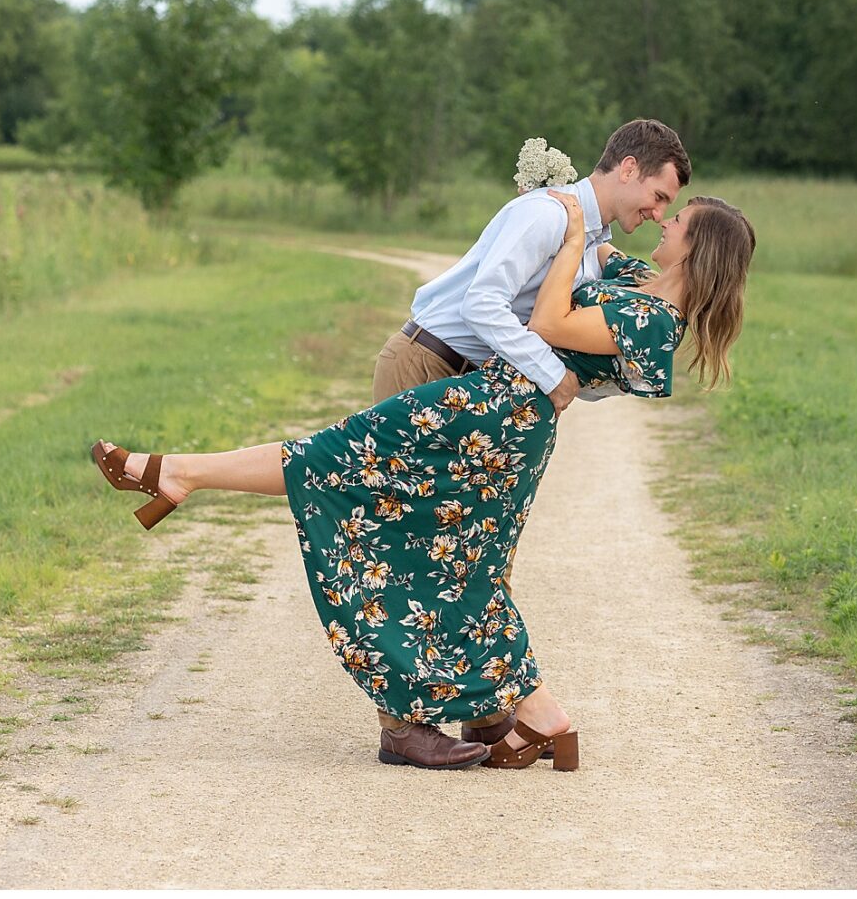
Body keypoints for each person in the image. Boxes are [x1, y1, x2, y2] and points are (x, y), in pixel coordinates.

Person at [93, 189, 754, 771]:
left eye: (679, 221)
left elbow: (548, 322)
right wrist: (567, 207)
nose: (664, 222)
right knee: (429, 536)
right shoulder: (639, 283)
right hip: (489, 410)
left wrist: (575, 235)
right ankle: (527, 717)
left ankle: (541, 715)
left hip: (495, 420)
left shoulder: (652, 321)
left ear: (698, 251)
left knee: (376, 492)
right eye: (665, 207)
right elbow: (601, 245)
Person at [361, 118, 692, 768]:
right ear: (628, 169)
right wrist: (553, 377)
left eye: (668, 207)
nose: (658, 213)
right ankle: (401, 726)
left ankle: (485, 711)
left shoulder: (588, 236)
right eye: (658, 196)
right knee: (410, 549)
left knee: (474, 553)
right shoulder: (547, 215)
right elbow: (484, 305)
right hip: (429, 364)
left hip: (472, 389)